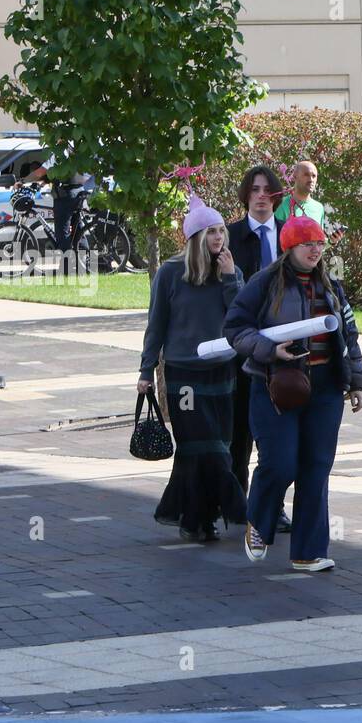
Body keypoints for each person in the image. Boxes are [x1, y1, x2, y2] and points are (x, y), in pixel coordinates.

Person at [224, 215, 362, 571]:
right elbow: (236, 328)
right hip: (277, 386)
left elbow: (349, 335)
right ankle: (258, 521)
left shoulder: (331, 286)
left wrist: (357, 381)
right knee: (280, 463)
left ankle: (308, 552)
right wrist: (270, 350)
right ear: (289, 247)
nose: (315, 250)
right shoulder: (264, 283)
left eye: (319, 243)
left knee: (316, 468)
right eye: (307, 244)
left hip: (326, 388)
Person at [138, 194, 247, 541]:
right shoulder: (170, 273)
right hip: (184, 374)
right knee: (200, 448)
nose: (219, 238)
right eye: (212, 231)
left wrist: (230, 277)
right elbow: (156, 325)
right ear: (196, 237)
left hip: (222, 370)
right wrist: (145, 371)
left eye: (221, 231)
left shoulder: (230, 271)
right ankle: (236, 508)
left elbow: (241, 317)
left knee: (220, 447)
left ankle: (196, 519)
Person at [226, 166, 291, 534]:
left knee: (277, 438)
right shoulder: (230, 236)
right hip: (243, 351)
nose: (262, 196)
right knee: (239, 435)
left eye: (268, 190)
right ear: (246, 195)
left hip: (283, 352)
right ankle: (238, 506)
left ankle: (274, 508)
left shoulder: (288, 235)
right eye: (255, 190)